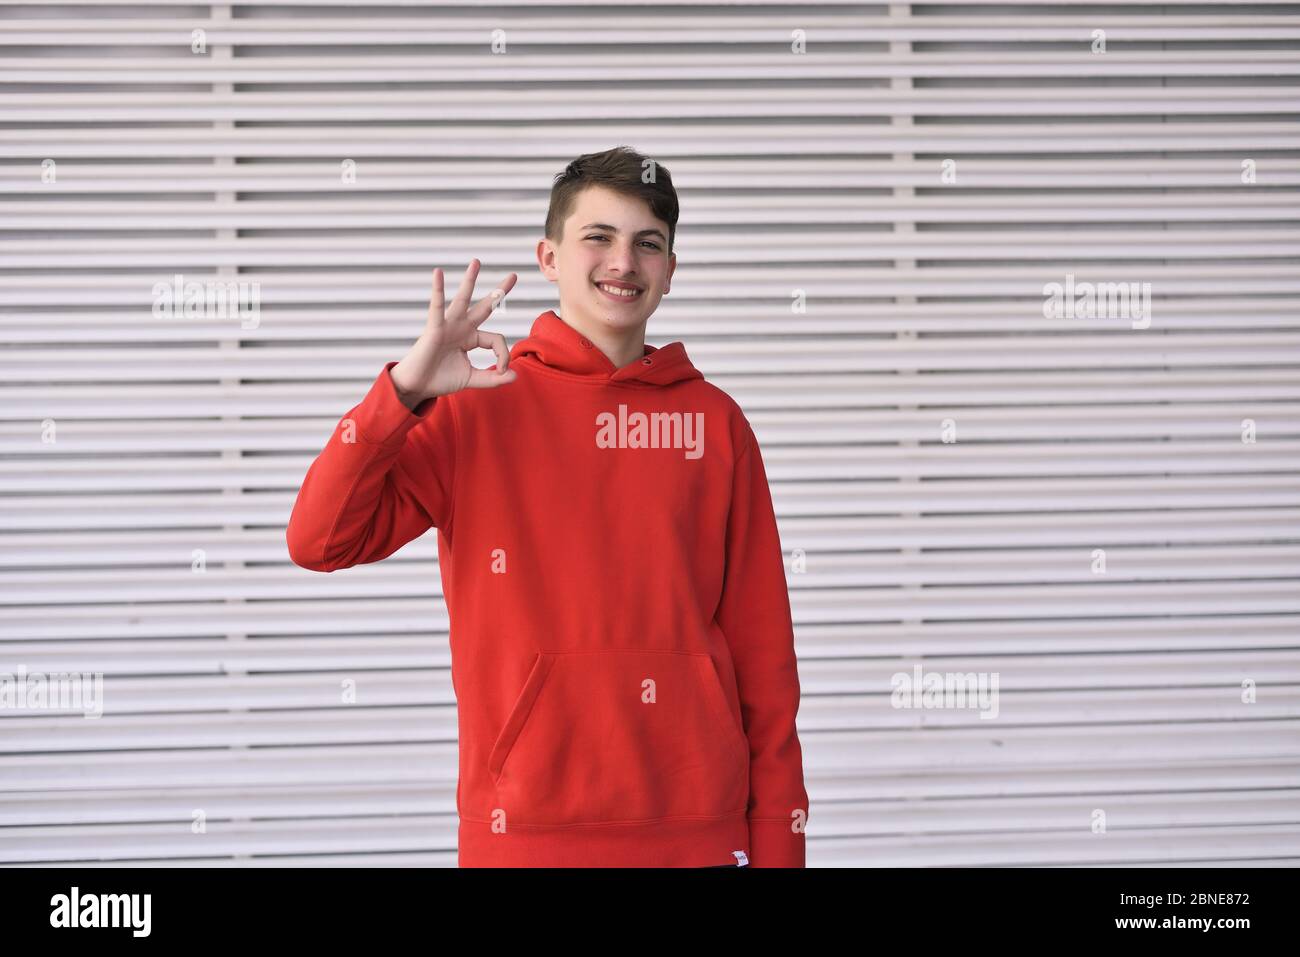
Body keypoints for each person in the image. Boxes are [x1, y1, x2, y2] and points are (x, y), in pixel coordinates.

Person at [286, 146, 809, 867]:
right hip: (522, 839)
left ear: (669, 271)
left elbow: (767, 667)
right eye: (598, 237)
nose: (622, 262)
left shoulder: (716, 425)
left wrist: (782, 848)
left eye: (647, 244)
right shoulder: (475, 408)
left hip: (699, 837)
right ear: (550, 256)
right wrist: (403, 392)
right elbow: (319, 540)